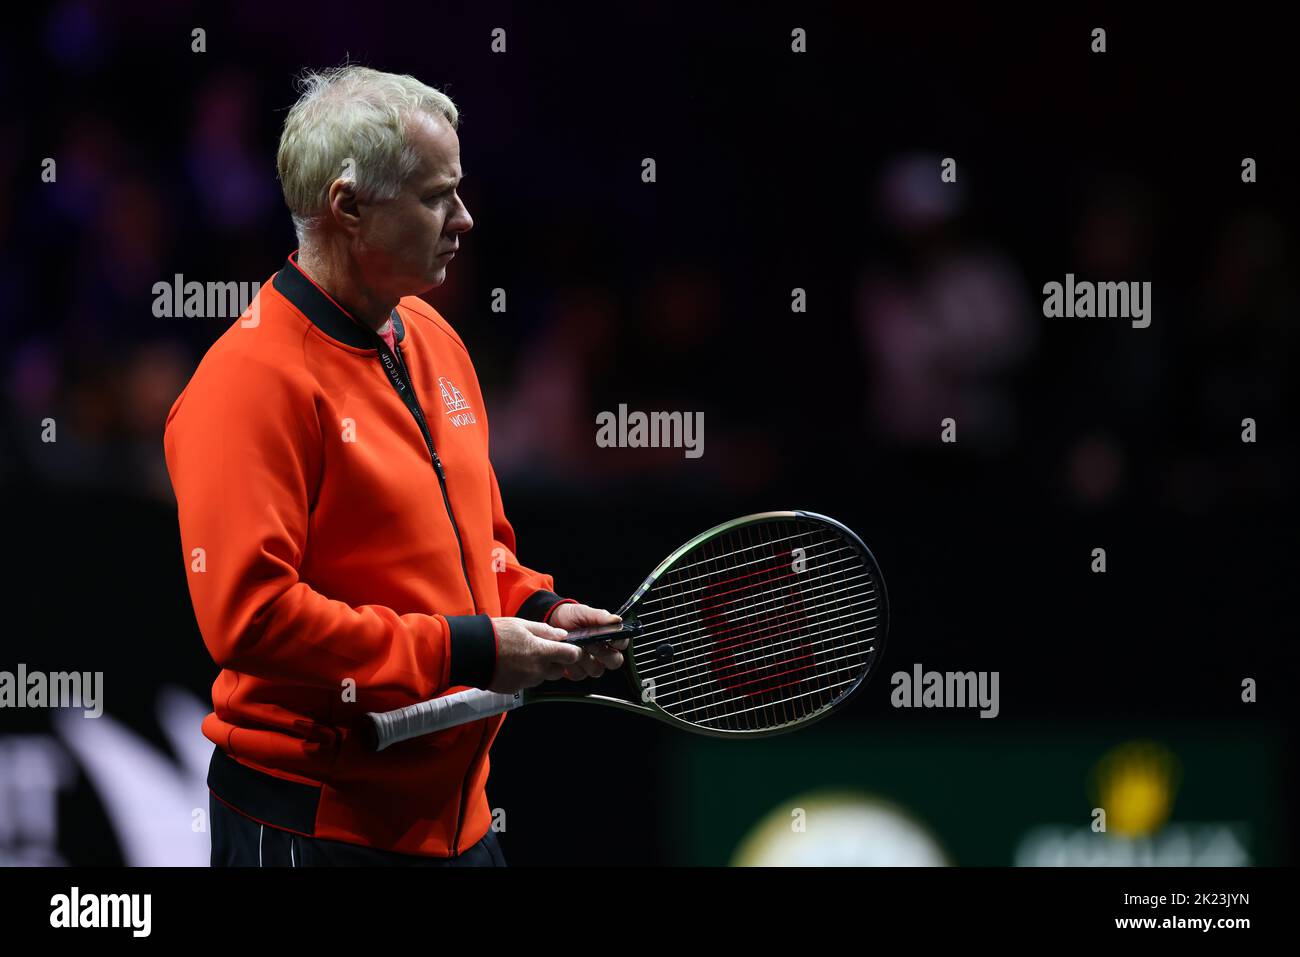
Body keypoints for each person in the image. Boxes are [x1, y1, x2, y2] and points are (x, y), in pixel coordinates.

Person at [163, 64, 626, 867]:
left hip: (463, 825)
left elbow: (478, 550)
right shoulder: (247, 384)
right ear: (348, 207)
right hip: (318, 827)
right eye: (435, 197)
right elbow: (254, 618)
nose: (465, 219)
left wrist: (539, 607)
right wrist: (472, 648)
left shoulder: (436, 340)